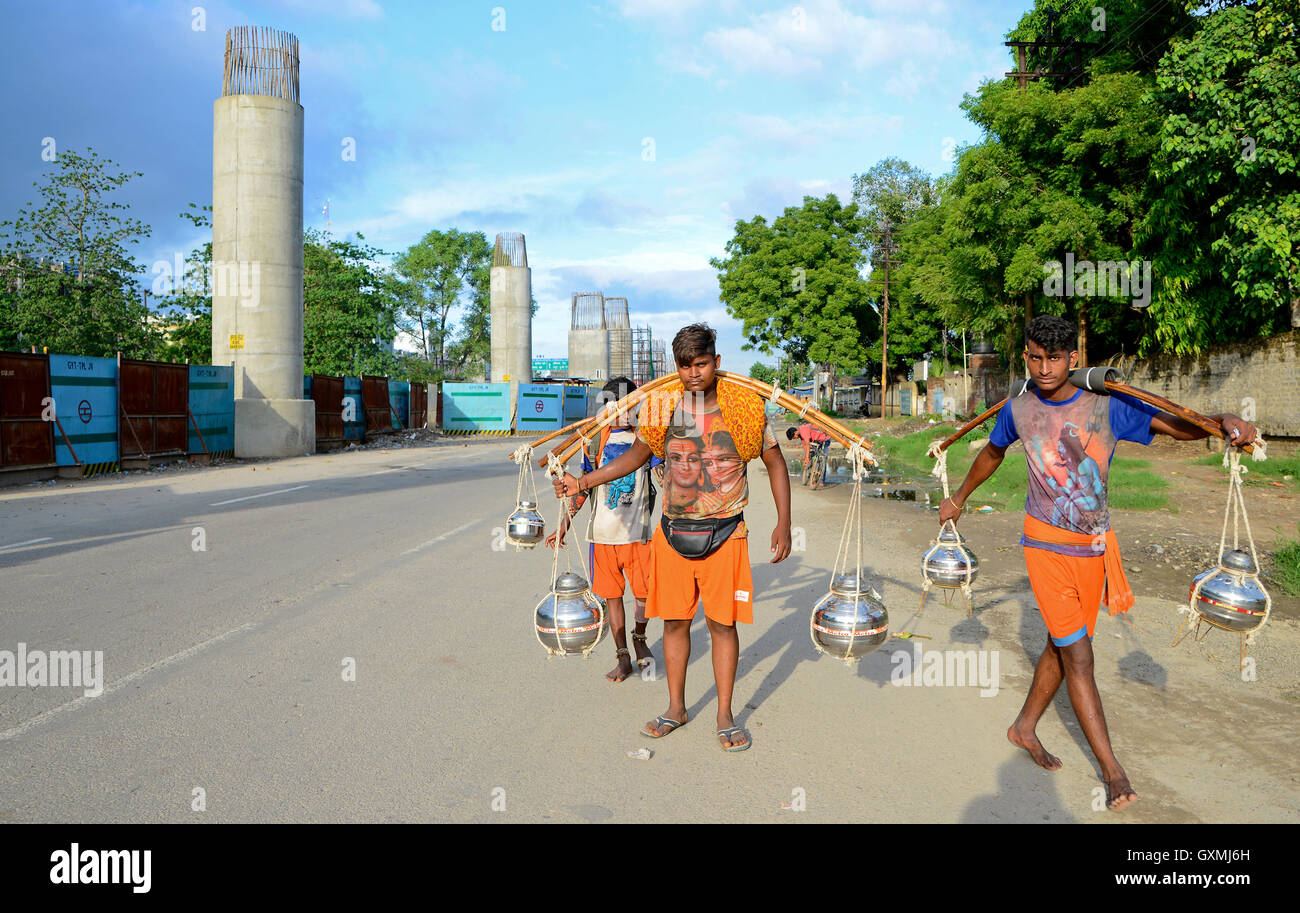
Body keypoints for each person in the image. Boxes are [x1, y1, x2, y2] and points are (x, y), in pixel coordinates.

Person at [938, 314, 1258, 810]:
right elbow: (993, 453)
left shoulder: (1107, 407)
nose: (1044, 369)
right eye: (1035, 358)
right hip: (1044, 546)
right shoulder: (1018, 409)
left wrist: (1222, 422)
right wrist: (958, 498)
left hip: (1092, 549)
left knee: (1061, 645)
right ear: (1026, 357)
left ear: (1073, 359)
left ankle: (1024, 727)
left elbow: (1176, 425)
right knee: (1081, 657)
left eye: (1054, 359)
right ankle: (1113, 770)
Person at [554, 324, 792, 752]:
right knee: (676, 622)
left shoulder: (744, 407)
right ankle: (676, 709)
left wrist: (784, 522)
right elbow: (636, 455)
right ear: (675, 367)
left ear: (716, 362)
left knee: (722, 625)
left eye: (702, 364)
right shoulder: (662, 406)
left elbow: (775, 462)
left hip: (726, 532)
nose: (694, 373)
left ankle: (725, 715)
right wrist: (583, 481)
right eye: (685, 365)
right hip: (673, 532)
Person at [546, 377, 660, 682]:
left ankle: (640, 637)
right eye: (618, 407)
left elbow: (666, 476)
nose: (625, 413)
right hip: (603, 537)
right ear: (607, 408)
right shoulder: (594, 443)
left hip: (639, 535)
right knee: (612, 597)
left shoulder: (647, 440)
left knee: (644, 595)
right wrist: (563, 526)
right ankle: (622, 655)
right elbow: (581, 488)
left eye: (630, 406)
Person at [786, 423, 831, 488]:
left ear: (795, 433)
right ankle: (813, 476)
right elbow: (804, 445)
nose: (795, 438)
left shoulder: (803, 430)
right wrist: (807, 457)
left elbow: (807, 444)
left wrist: (807, 457)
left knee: (823, 460)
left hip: (825, 439)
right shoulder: (800, 435)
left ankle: (822, 481)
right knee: (813, 456)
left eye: (793, 437)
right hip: (816, 440)